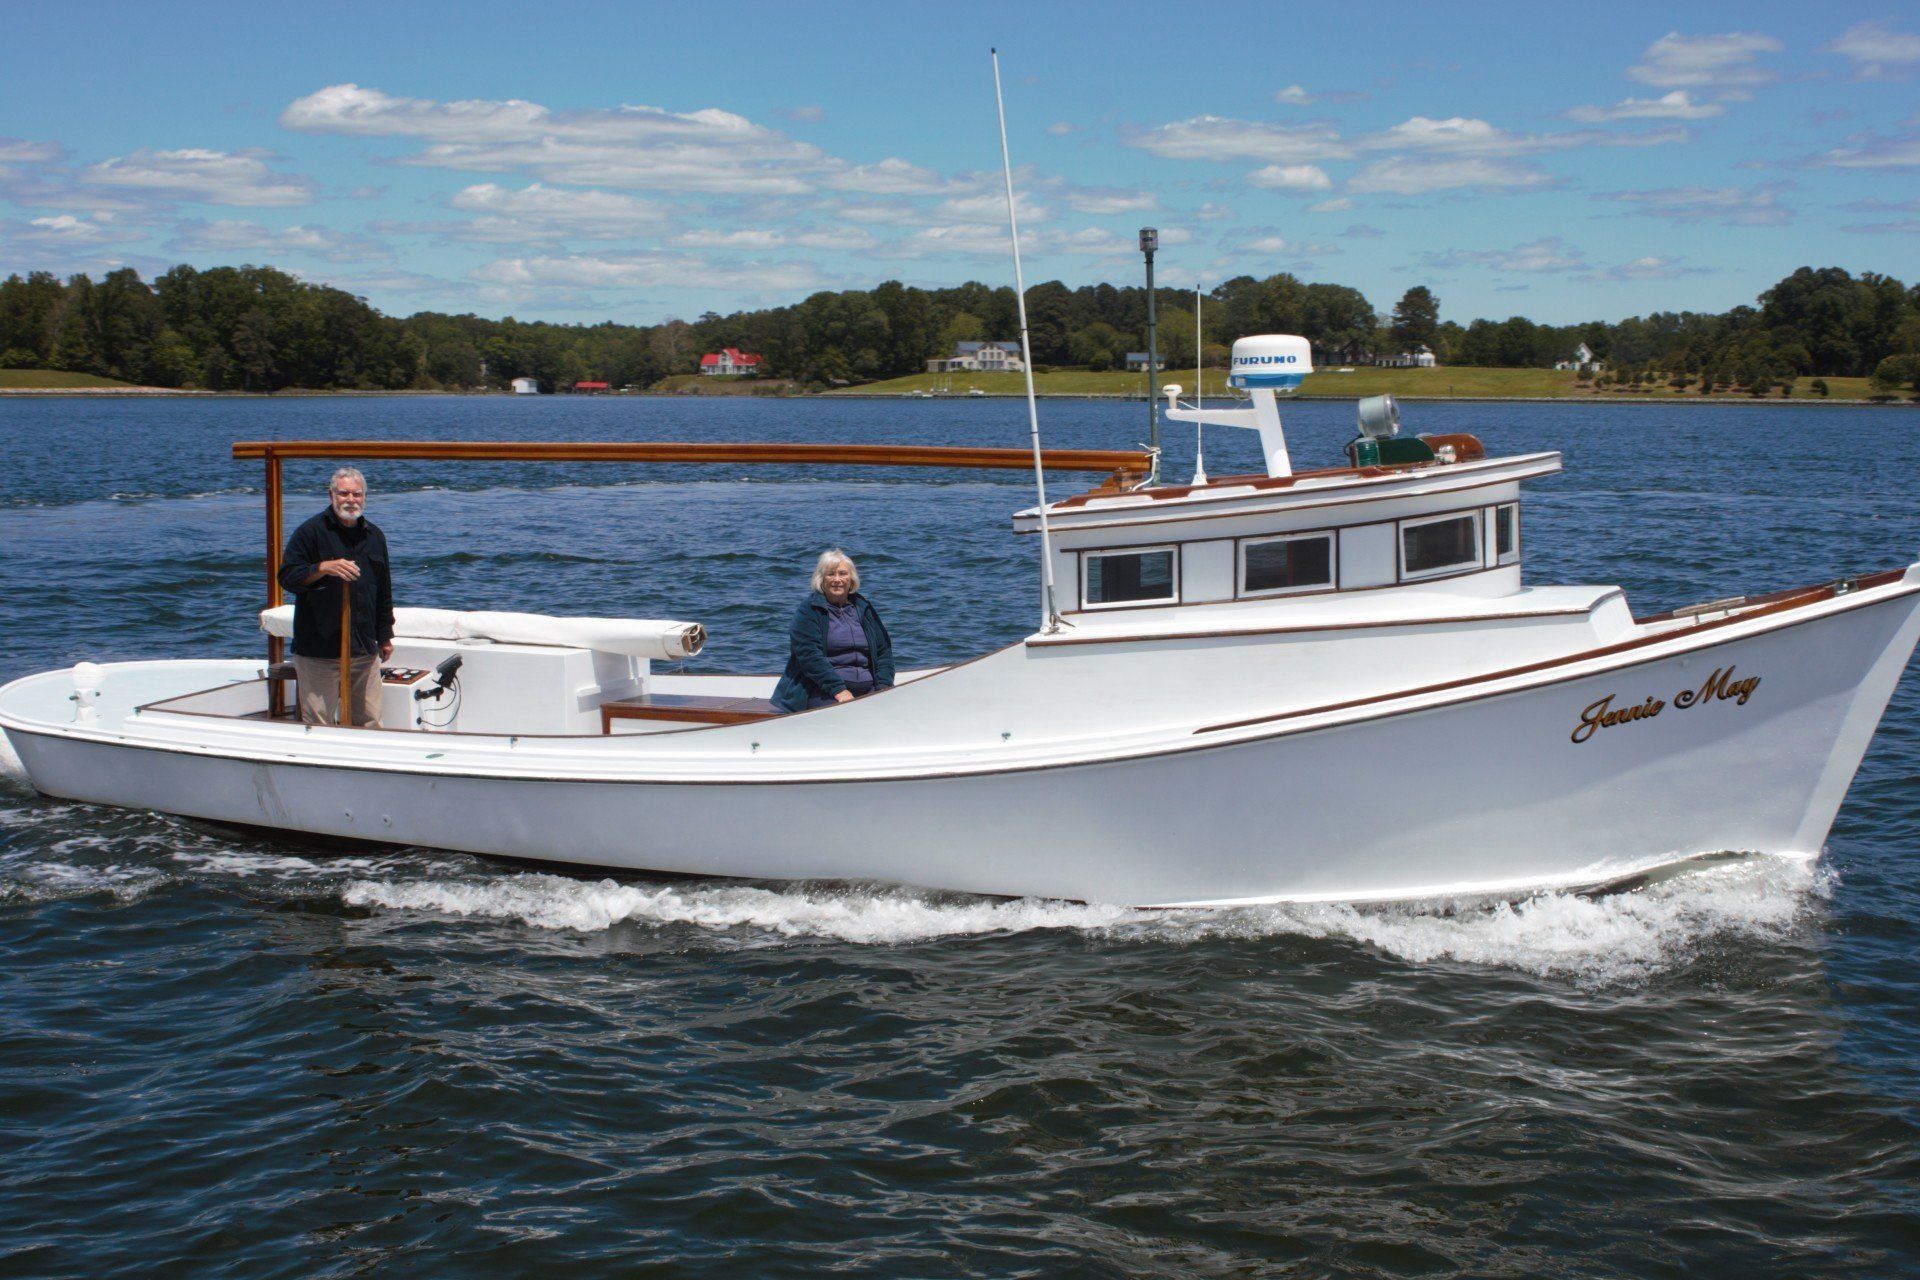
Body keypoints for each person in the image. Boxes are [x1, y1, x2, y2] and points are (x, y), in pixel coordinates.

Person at [278, 466, 394, 727]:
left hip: (363, 648)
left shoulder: (375, 536)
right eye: (344, 494)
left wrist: (384, 636)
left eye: (357, 494)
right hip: (319, 650)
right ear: (331, 496)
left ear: (365, 497)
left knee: (370, 722)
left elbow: (383, 590)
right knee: (319, 724)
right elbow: (287, 577)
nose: (350, 500)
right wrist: (322, 568)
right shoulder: (310, 532)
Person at [771, 549, 895, 713]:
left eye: (843, 573)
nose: (837, 579)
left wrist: (883, 687)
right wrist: (839, 690)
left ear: (851, 579)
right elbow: (809, 656)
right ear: (821, 579)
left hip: (868, 688)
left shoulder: (863, 607)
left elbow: (883, 650)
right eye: (831, 574)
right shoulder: (809, 610)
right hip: (823, 691)